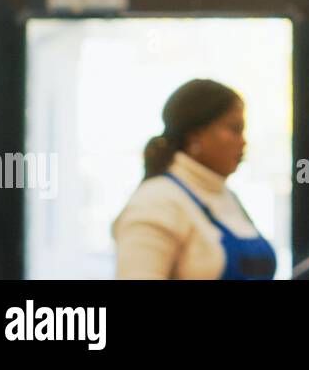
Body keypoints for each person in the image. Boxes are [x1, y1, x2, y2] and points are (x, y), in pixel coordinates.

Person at [112, 78, 276, 280]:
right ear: (195, 135)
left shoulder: (227, 197)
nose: (243, 142)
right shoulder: (156, 201)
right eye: (234, 129)